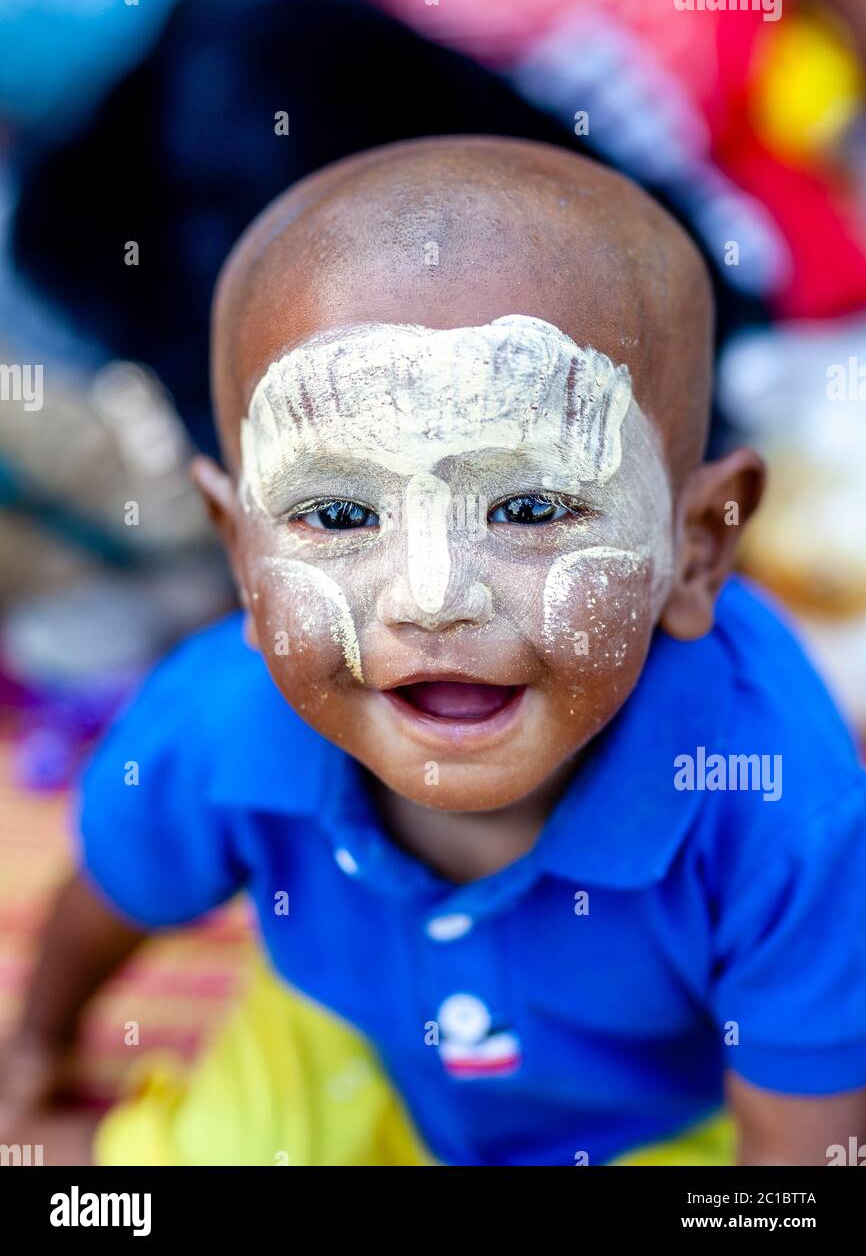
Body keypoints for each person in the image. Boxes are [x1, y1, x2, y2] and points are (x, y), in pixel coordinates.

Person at [4, 137, 866, 1166]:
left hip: (649, 1129)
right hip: (349, 1055)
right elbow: (114, 886)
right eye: (334, 511)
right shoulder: (220, 719)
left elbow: (797, 1162)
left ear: (695, 548)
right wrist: (38, 1040)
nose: (430, 598)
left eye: (530, 505)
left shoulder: (778, 806)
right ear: (238, 549)